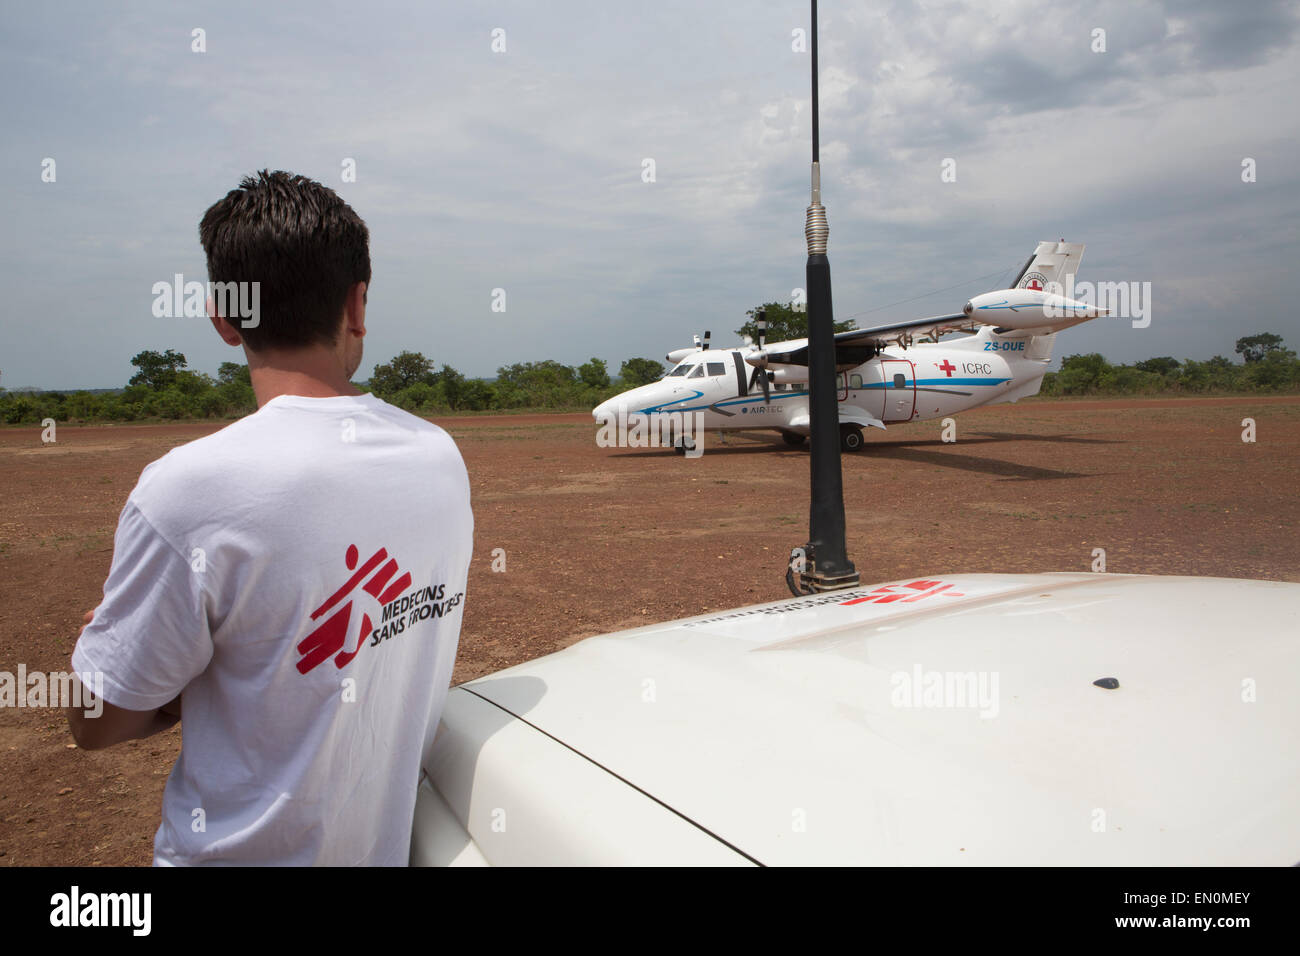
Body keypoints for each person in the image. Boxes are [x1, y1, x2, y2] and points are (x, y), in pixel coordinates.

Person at [66, 170, 473, 866]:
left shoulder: (187, 491)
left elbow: (97, 722)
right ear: (357, 304)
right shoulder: (438, 457)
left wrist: (170, 684)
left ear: (223, 316)